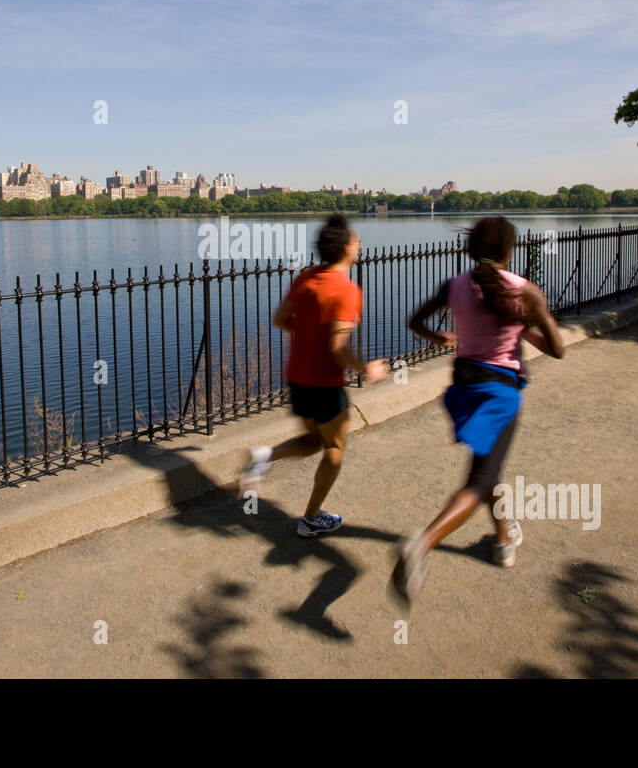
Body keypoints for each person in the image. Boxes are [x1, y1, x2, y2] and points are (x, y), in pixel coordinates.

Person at [390, 216, 564, 605]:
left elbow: (415, 321)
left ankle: (503, 541)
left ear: (470, 248)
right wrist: (528, 323)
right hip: (499, 393)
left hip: (464, 389)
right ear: (508, 250)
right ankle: (422, 545)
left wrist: (440, 336)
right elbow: (557, 348)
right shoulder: (525, 291)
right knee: (479, 480)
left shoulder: (455, 286)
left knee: (488, 468)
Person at [238, 214, 387, 537]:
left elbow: (280, 318)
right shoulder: (346, 291)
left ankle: (266, 456)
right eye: (356, 239)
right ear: (346, 248)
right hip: (325, 382)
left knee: (312, 441)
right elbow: (338, 347)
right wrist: (367, 368)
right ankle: (310, 518)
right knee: (334, 449)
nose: (359, 243)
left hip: (297, 377)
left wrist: (307, 337)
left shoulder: (306, 277)